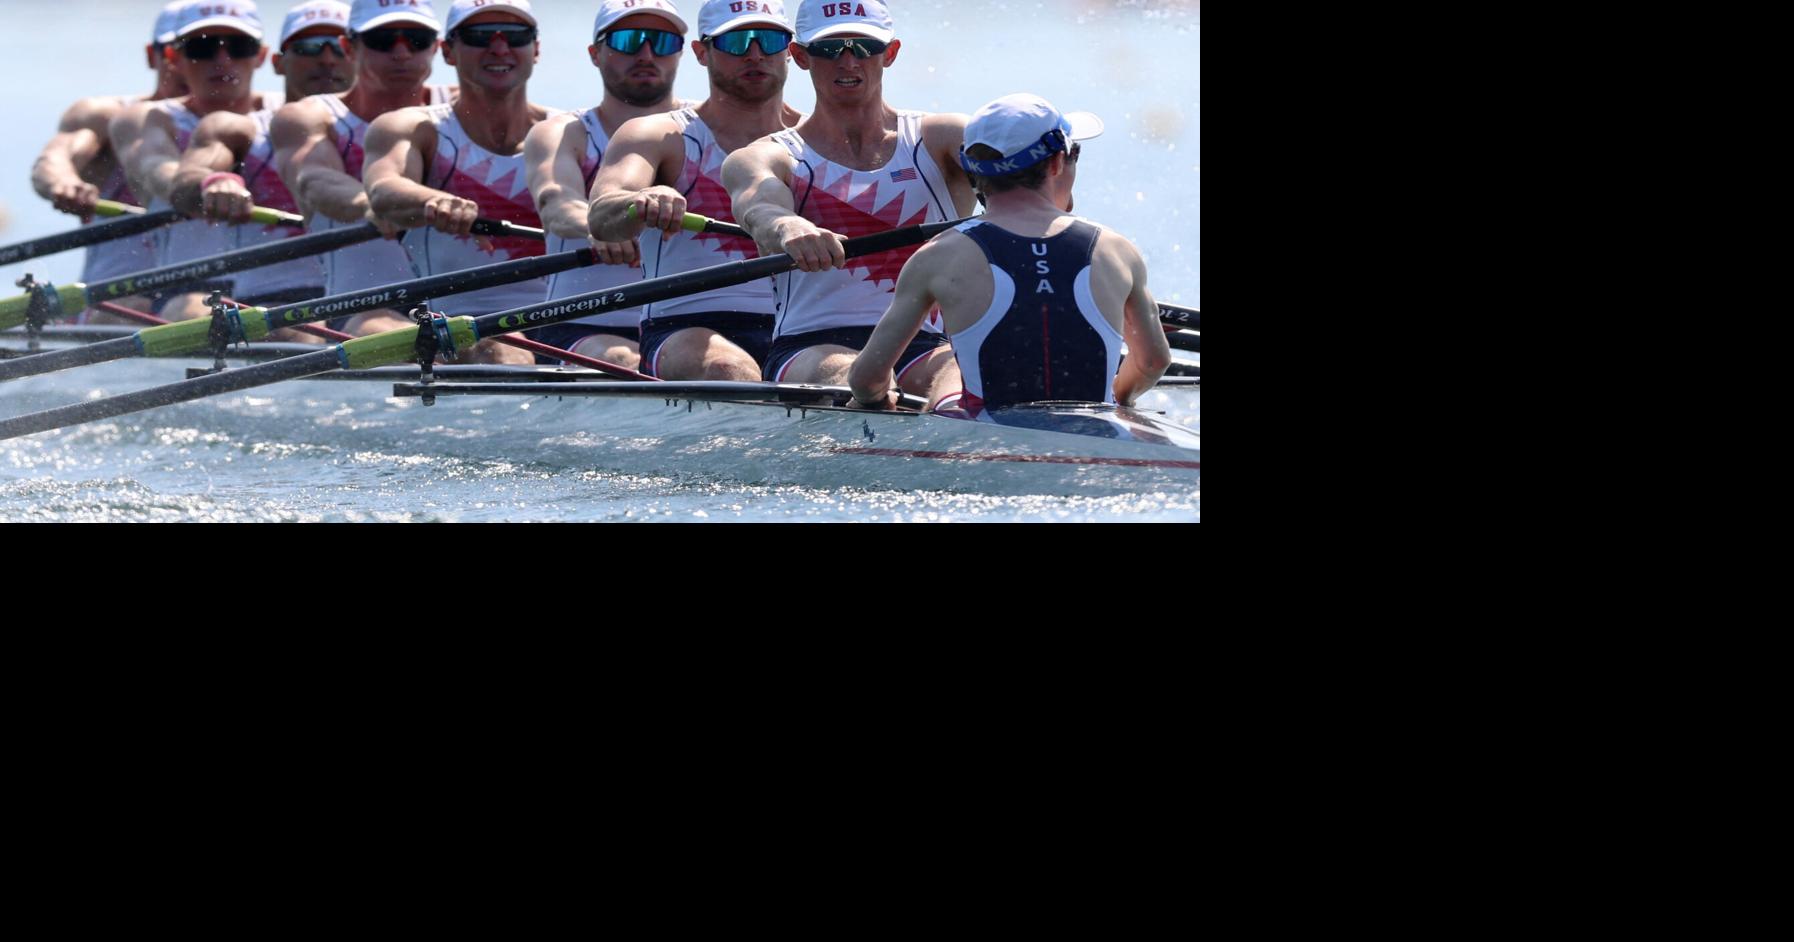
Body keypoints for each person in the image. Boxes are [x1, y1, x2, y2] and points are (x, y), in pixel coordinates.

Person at [847, 94, 1170, 414]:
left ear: (974, 171)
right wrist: (1119, 401)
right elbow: (1154, 360)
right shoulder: (1116, 249)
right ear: (1057, 162)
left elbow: (866, 378)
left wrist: (874, 401)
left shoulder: (938, 255)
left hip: (984, 440)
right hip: (1096, 440)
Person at [722, 0, 975, 401]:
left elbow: (1018, 173)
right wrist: (790, 227)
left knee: (962, 372)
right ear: (800, 56)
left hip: (922, 344)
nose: (847, 61)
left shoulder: (943, 138)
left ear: (889, 53)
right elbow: (759, 209)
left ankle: (961, 436)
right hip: (809, 347)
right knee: (853, 376)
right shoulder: (768, 155)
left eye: (863, 47)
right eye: (829, 49)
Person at [587, 0, 803, 380]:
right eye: (737, 42)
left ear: (790, 50)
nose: (755, 54)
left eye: (769, 40)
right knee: (728, 369)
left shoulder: (815, 141)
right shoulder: (658, 135)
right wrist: (639, 202)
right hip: (684, 328)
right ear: (702, 53)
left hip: (800, 329)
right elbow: (603, 216)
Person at [362, 0, 550, 363]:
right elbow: (384, 189)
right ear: (447, 51)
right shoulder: (414, 127)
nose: (499, 48)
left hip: (569, 318)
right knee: (507, 351)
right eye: (479, 37)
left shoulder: (567, 130)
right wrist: (432, 200)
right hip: (460, 327)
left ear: (536, 49)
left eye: (516, 36)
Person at [521, 0, 694, 368]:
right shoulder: (563, 132)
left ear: (682, 52)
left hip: (691, 326)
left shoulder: (705, 128)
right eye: (628, 40)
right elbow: (557, 203)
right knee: (626, 360)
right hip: (583, 326)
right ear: (595, 53)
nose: (646, 54)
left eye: (662, 42)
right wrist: (602, 224)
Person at [270, 0, 457, 335]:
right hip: (365, 309)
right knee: (411, 337)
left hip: (464, 303)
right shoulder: (311, 116)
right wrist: (375, 204)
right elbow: (313, 181)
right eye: (383, 40)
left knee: (498, 348)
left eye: (416, 39)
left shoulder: (464, 109)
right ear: (350, 46)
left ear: (437, 46)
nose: (401, 53)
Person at [170, 1, 356, 316]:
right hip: (276, 302)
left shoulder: (403, 132)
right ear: (278, 63)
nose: (326, 60)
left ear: (357, 53)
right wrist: (215, 181)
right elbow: (185, 183)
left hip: (378, 299)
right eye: (309, 48)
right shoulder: (240, 128)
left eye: (338, 48)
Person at [109, 1, 281, 319]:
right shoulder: (148, 119)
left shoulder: (291, 118)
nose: (222, 60)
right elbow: (159, 172)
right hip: (189, 294)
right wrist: (208, 181)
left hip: (283, 290)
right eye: (202, 48)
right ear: (174, 58)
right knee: (189, 311)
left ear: (260, 55)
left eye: (238, 47)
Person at [29, 1, 191, 323]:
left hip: (209, 299)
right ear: (152, 55)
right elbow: (54, 160)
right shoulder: (105, 116)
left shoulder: (257, 127)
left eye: (233, 48)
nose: (212, 61)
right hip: (113, 306)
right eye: (184, 49)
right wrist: (65, 183)